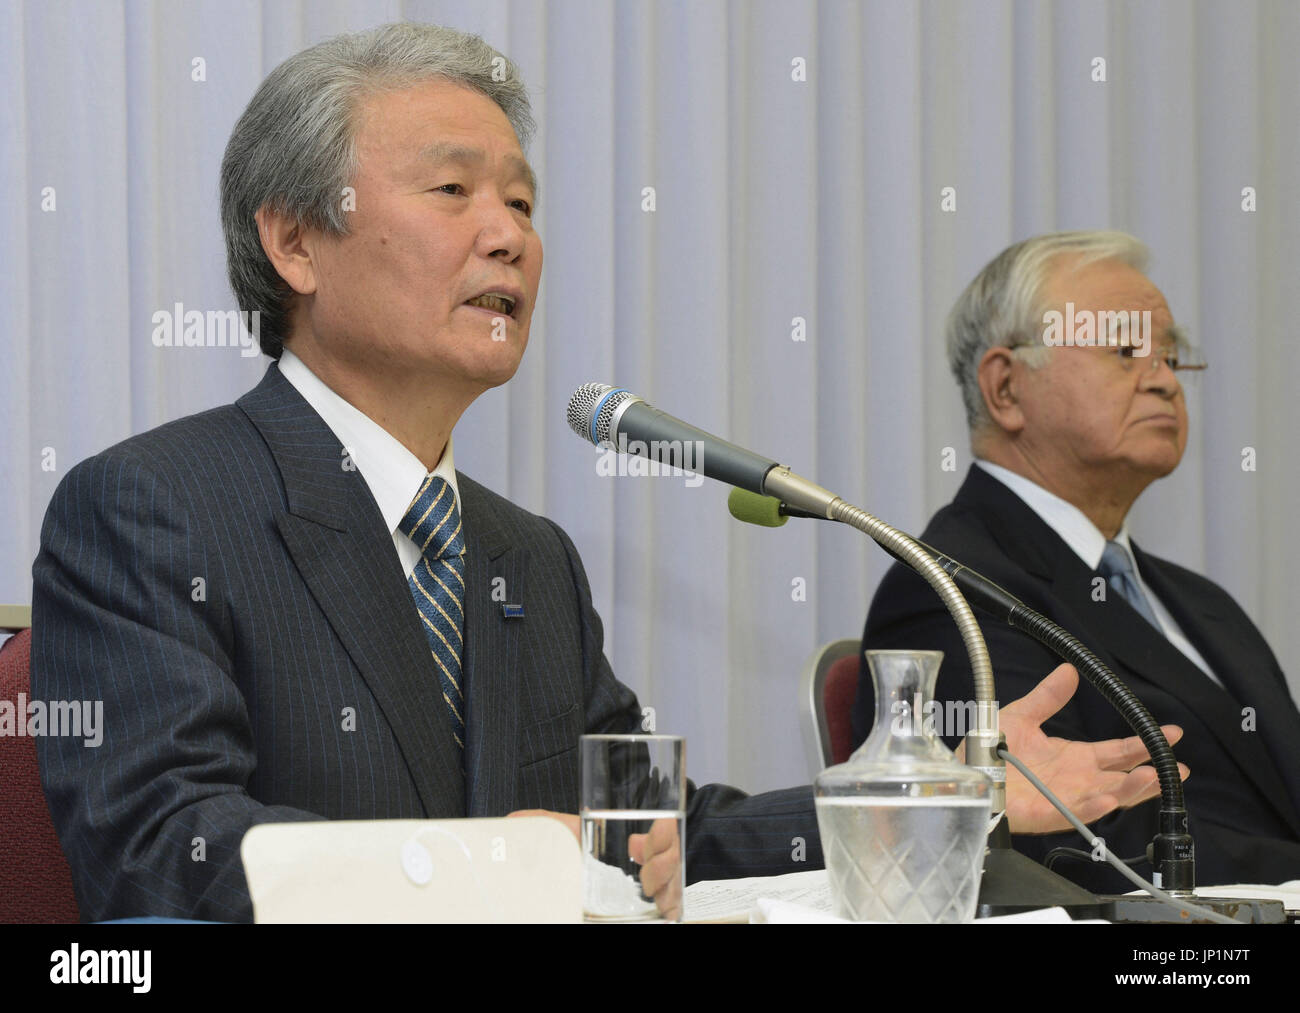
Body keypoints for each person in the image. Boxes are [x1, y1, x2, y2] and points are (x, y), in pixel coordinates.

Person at [33, 27, 1177, 923]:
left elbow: (647, 831)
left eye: (522, 203)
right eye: (452, 192)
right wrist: (515, 863)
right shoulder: (153, 509)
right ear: (293, 242)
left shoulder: (524, 553)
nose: (509, 236)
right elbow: (159, 854)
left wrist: (919, 804)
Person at [855, 231, 1300, 893]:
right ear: (1005, 388)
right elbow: (1060, 846)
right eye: (1124, 350)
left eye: (1172, 355)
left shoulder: (1201, 602)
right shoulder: (951, 588)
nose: (1164, 380)